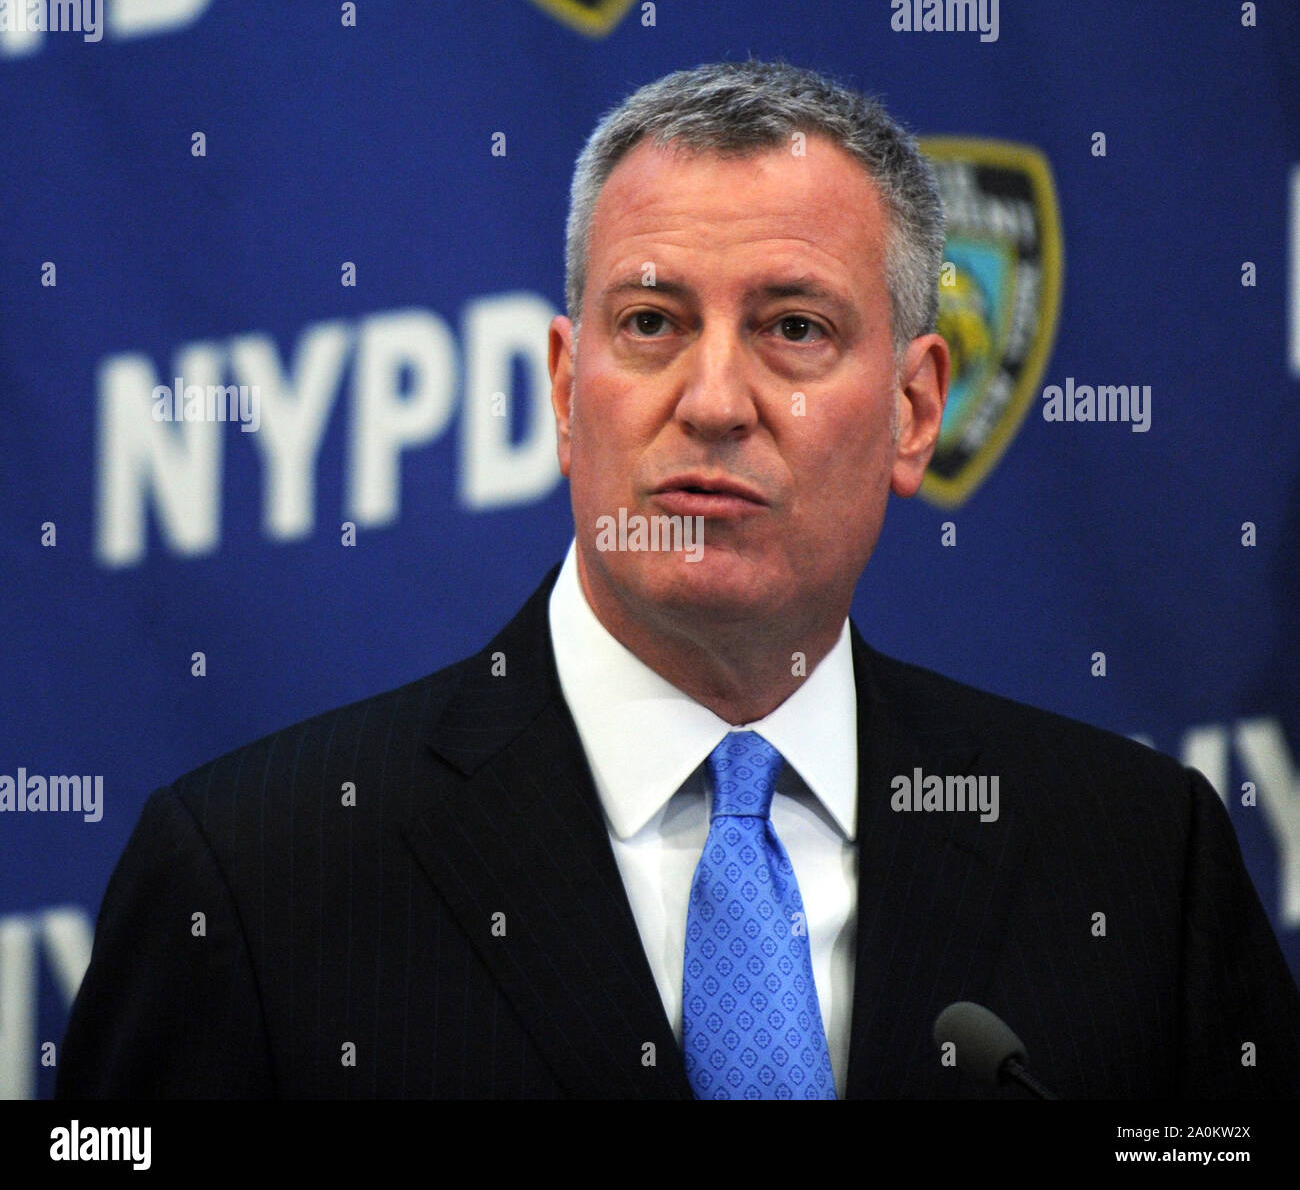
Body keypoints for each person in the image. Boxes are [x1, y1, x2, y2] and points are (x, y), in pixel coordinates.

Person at [57, 59, 1300, 1100]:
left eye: (793, 327)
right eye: (650, 323)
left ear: (917, 410)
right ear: (560, 385)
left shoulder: (1136, 861)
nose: (712, 403)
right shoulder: (254, 875)